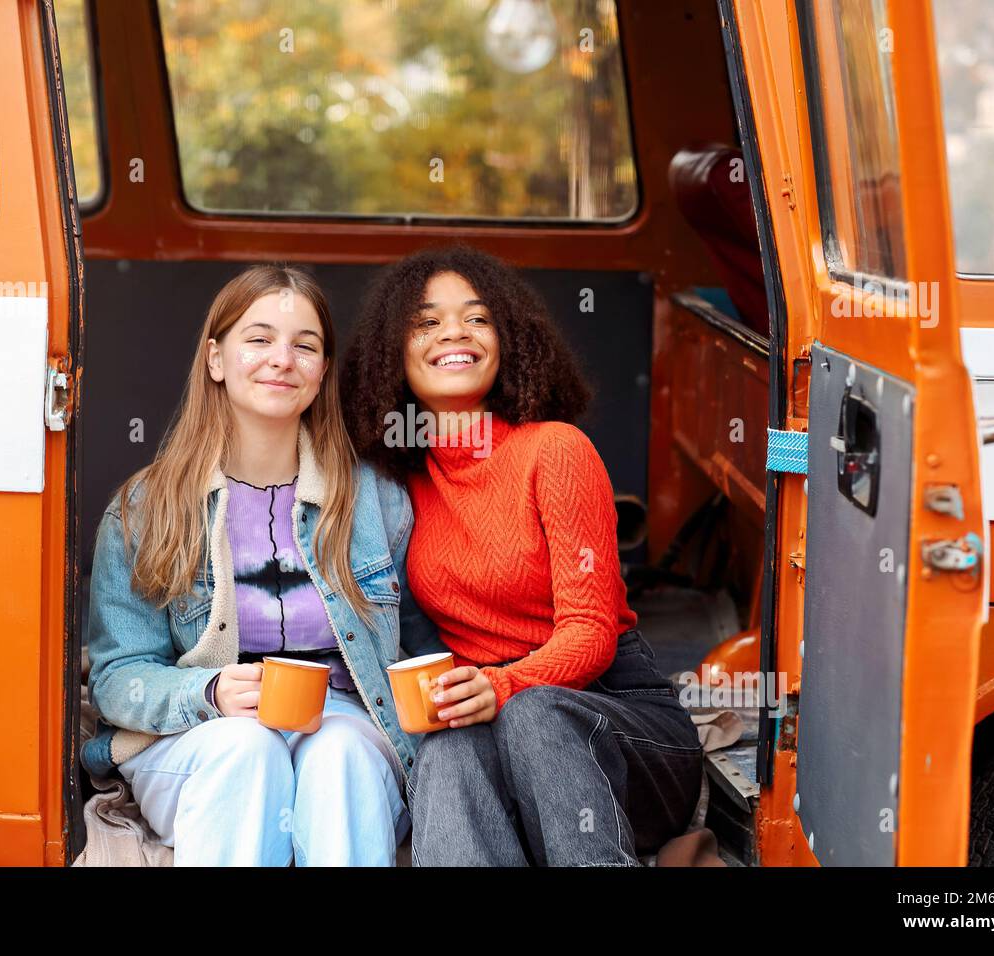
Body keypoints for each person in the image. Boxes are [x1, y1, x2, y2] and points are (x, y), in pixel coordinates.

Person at [341, 245, 704, 866]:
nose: (455, 332)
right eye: (427, 322)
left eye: (477, 318)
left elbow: (591, 633)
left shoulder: (555, 450)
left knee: (534, 714)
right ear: (391, 355)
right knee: (446, 749)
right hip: (489, 717)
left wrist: (503, 685)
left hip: (619, 723)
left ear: (507, 340)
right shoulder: (395, 482)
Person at [81, 264, 434, 866]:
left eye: (305, 346)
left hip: (344, 724)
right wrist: (210, 690)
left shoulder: (375, 499)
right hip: (199, 737)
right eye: (259, 339)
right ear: (216, 359)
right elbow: (118, 678)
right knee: (247, 748)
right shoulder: (146, 507)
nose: (282, 360)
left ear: (322, 372)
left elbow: (421, 647)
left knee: (342, 754)